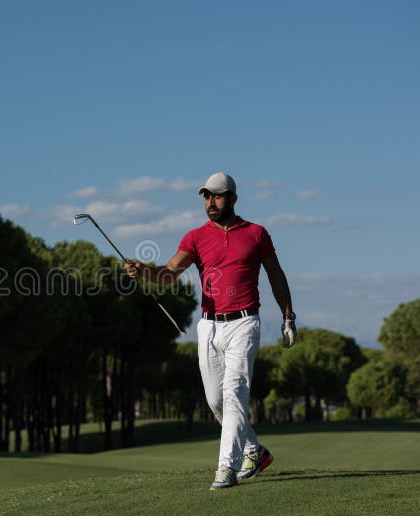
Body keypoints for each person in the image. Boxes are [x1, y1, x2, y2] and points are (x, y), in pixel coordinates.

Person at [124, 171, 297, 490]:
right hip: (209, 326)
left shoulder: (256, 233)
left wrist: (288, 316)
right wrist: (144, 271)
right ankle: (253, 451)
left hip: (245, 322)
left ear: (233, 198)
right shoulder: (195, 237)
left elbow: (275, 275)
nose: (210, 202)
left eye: (217, 196)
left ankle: (225, 469)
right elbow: (169, 273)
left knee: (234, 394)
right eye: (206, 196)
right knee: (217, 401)